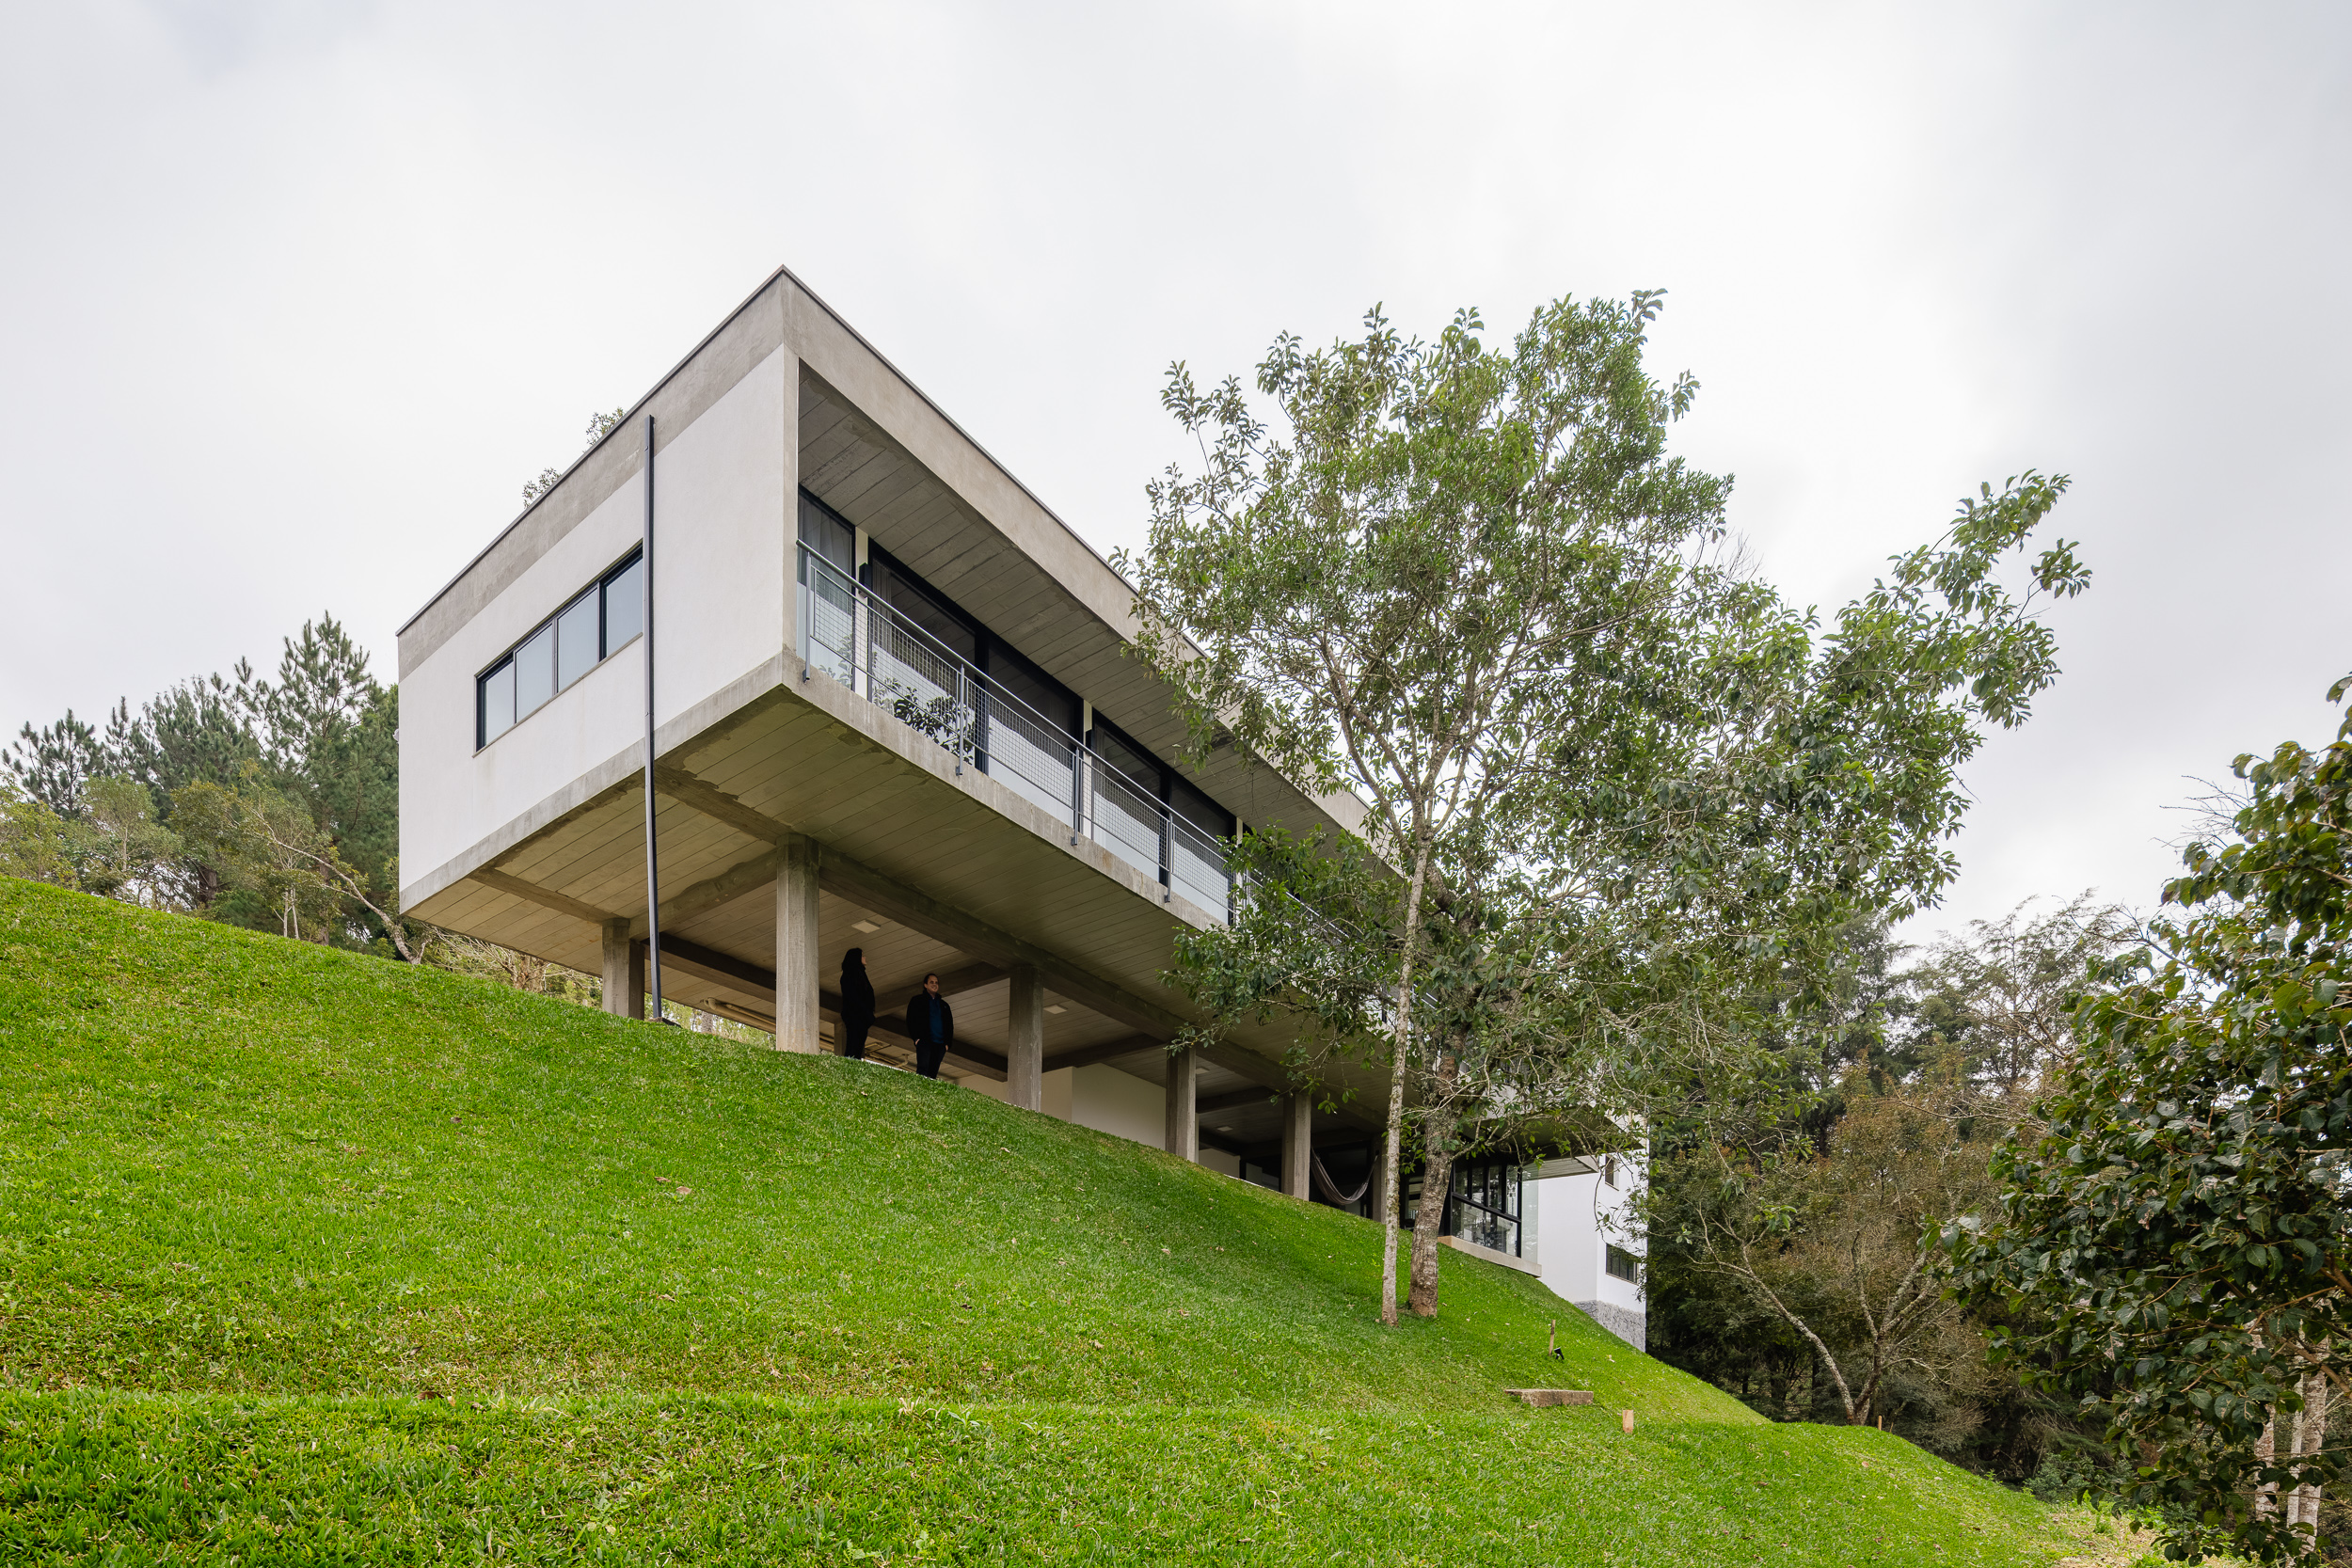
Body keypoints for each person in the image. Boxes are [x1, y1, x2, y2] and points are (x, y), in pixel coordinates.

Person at [904, 972, 953, 1079]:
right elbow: (910, 1020)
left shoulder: (944, 1005)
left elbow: (950, 1025)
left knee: (933, 1073)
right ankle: (920, 1092)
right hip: (924, 1041)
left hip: (940, 1044)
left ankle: (929, 1094)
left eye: (936, 982)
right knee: (922, 1070)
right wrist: (916, 1038)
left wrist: (947, 1044)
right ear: (925, 985)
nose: (934, 984)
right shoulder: (917, 1000)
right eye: (931, 982)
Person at [837, 948, 875, 1061]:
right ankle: (849, 1066)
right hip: (855, 1016)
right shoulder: (849, 975)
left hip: (862, 1017)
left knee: (858, 1045)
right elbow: (853, 996)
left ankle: (854, 1065)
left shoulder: (860, 974)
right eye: (862, 955)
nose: (865, 957)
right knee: (853, 1044)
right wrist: (865, 1012)